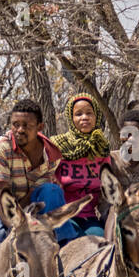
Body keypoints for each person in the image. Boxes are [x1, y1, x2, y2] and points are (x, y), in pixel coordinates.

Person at [0, 99, 79, 243]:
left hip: (30, 205)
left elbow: (40, 193)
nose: (20, 130)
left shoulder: (51, 152)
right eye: (15, 125)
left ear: (39, 127)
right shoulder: (0, 148)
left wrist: (26, 218)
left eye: (27, 125)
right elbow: (0, 196)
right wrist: (13, 228)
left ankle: (64, 245)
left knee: (52, 190)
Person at [49, 92, 112, 238]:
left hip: (89, 217)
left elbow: (106, 192)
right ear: (71, 119)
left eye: (89, 113)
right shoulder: (57, 146)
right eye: (78, 114)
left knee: (102, 243)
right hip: (62, 216)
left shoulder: (101, 148)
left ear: (96, 116)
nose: (84, 117)